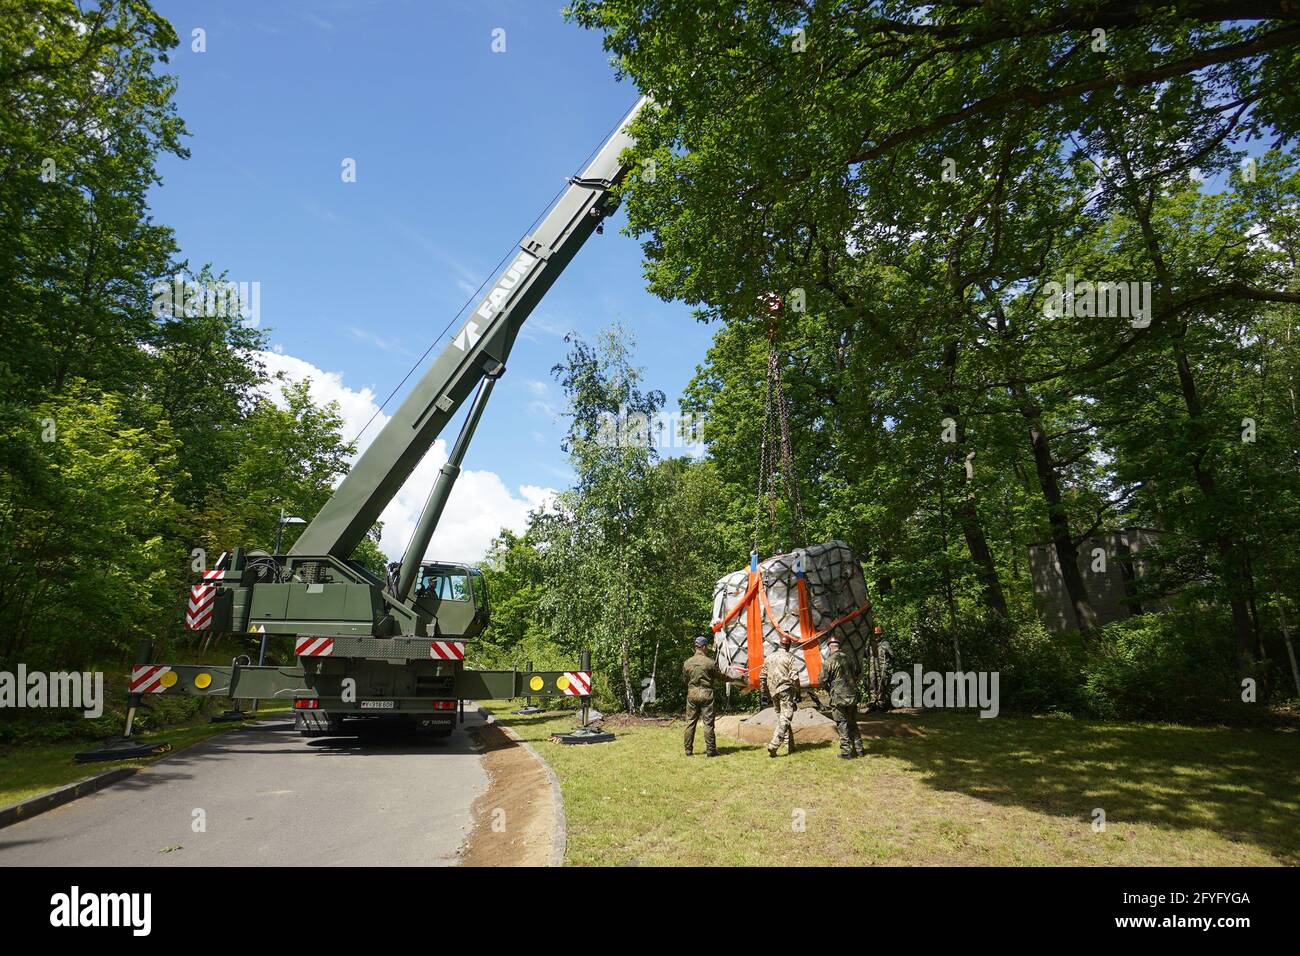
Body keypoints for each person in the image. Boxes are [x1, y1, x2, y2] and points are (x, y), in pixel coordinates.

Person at [682, 635, 743, 756]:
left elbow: (685, 680)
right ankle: (711, 751)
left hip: (692, 693)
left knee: (690, 723)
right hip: (706, 694)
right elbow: (720, 677)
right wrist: (731, 678)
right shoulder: (710, 663)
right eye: (706, 647)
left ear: (696, 647)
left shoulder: (687, 663)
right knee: (708, 723)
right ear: (703, 647)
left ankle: (688, 751)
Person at [820, 635, 866, 759]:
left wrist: (829, 690)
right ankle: (859, 749)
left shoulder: (829, 662)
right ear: (838, 646)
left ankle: (846, 752)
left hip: (838, 698)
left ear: (830, 648)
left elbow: (822, 680)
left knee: (842, 723)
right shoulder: (850, 658)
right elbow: (857, 673)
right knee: (852, 722)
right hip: (852, 695)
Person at [760, 633, 800, 757]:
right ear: (788, 646)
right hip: (785, 690)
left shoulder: (769, 657)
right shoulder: (789, 657)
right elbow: (795, 676)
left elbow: (762, 676)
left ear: (780, 644)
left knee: (781, 718)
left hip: (773, 692)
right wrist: (798, 691)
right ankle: (774, 744)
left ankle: (790, 746)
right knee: (785, 718)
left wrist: (763, 693)